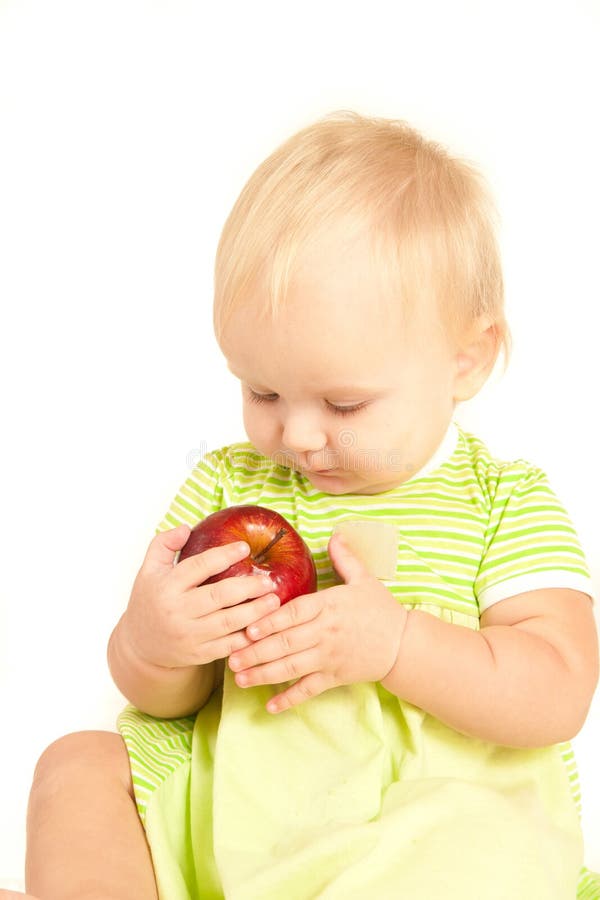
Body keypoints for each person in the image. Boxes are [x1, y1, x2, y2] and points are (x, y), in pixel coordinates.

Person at [21, 110, 600, 900]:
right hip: (237, 821)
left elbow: (558, 690)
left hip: (422, 826)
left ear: (466, 361)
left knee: (478, 842)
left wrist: (398, 645)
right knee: (78, 764)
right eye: (261, 391)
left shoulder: (504, 500)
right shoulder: (228, 486)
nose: (294, 434)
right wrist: (155, 643)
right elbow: (166, 697)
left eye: (344, 404)